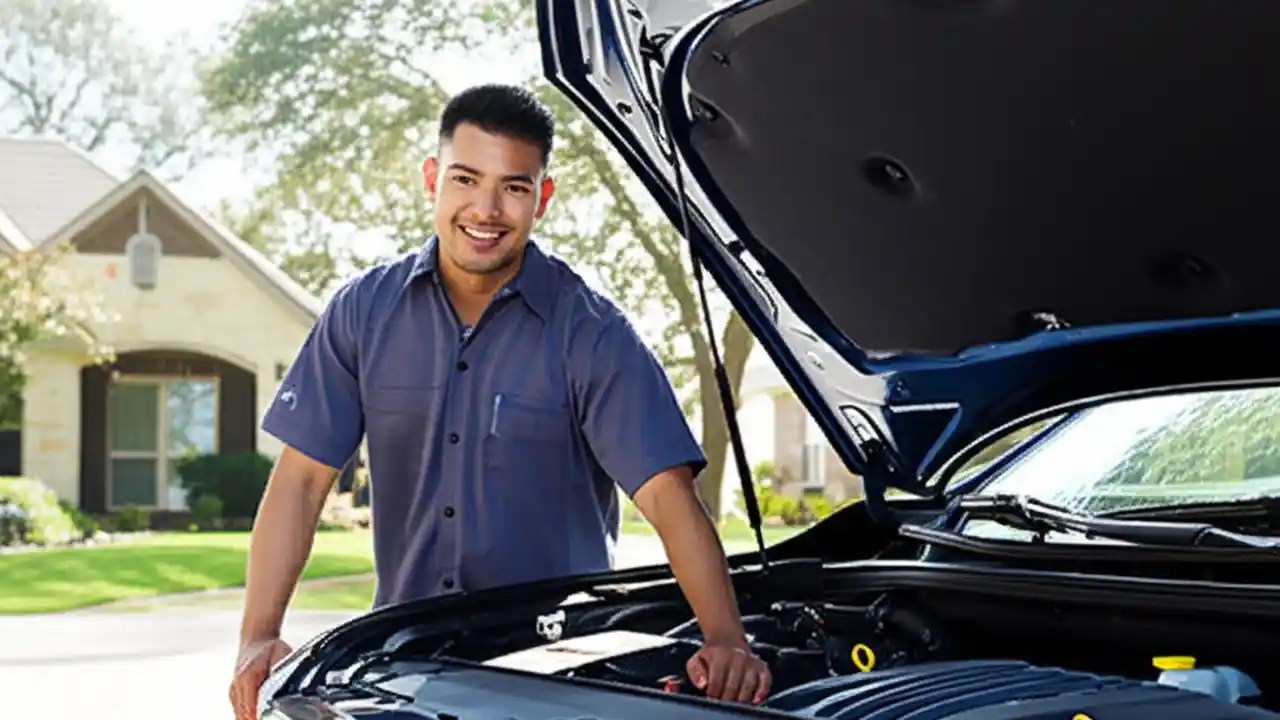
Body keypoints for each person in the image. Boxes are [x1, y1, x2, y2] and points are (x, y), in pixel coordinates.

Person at [228, 84, 772, 719]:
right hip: (405, 669)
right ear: (433, 178)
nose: (485, 209)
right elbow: (299, 480)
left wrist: (726, 639)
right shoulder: (362, 313)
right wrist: (257, 634)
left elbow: (668, 497)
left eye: (513, 187)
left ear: (542, 198)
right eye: (465, 179)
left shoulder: (590, 331)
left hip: (551, 679)